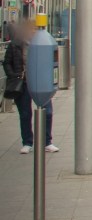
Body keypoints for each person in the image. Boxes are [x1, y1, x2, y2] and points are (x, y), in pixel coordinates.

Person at [3, 19, 57, 154]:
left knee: (48, 112)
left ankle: (47, 142)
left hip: (41, 83)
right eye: (31, 29)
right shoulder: (16, 44)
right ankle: (27, 142)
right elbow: (7, 62)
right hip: (24, 83)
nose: (32, 32)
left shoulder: (43, 44)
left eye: (35, 29)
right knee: (25, 114)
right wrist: (14, 75)